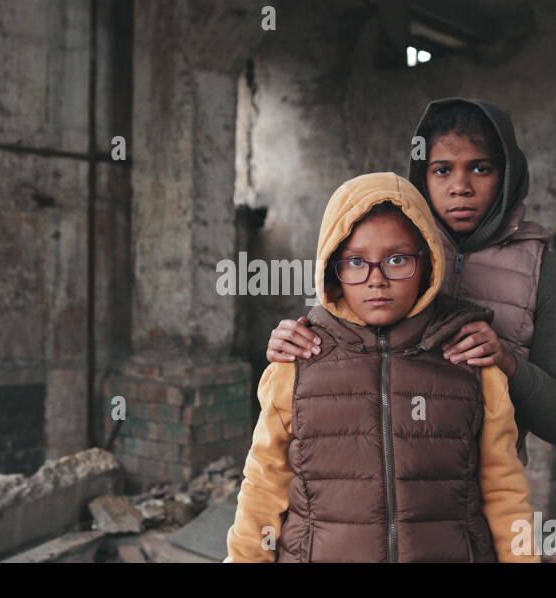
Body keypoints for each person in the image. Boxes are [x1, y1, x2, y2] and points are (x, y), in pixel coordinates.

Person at [224, 172, 539, 563]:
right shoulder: (298, 363)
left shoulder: (470, 360)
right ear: (332, 269)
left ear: (427, 262)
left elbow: (504, 489)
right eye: (356, 261)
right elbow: (262, 486)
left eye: (397, 258)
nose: (377, 279)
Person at [264, 98, 556, 464]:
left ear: (508, 175)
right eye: (441, 170)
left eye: (481, 169)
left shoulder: (546, 272)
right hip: (370, 492)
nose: (460, 187)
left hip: (482, 498)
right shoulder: (386, 247)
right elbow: (326, 344)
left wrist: (506, 361)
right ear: (422, 176)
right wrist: (291, 344)